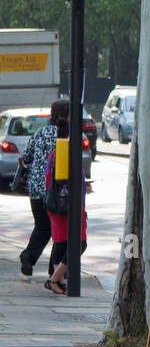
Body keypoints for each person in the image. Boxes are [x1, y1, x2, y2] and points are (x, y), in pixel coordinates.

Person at [18, 99, 66, 278]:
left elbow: (26, 157)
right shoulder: (65, 135)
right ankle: (55, 269)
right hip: (54, 189)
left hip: (35, 187)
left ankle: (29, 256)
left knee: (42, 225)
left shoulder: (40, 132)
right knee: (60, 228)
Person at [43, 113, 87, 296]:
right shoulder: (68, 153)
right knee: (80, 243)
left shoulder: (54, 154)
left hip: (54, 204)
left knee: (60, 243)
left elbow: (49, 178)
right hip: (68, 206)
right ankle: (54, 279)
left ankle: (59, 281)